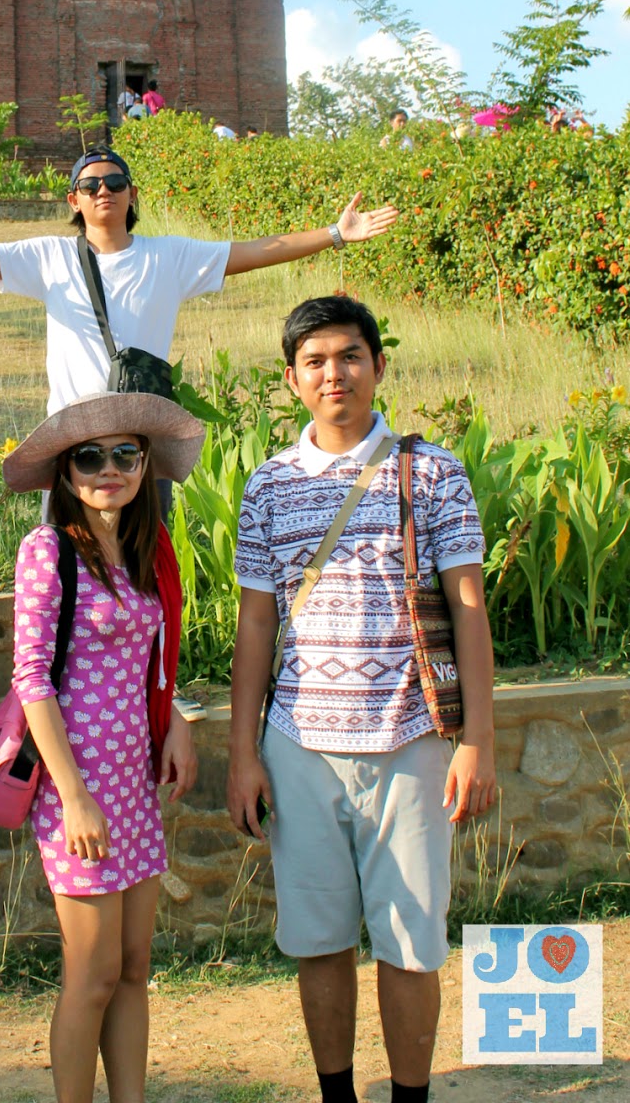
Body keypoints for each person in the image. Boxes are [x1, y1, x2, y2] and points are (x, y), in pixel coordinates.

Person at [226, 297, 495, 1103]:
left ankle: (410, 1096)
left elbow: (470, 609)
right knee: (318, 940)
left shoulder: (436, 472)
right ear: (292, 379)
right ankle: (336, 1094)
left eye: (349, 356)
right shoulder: (268, 485)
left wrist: (477, 740)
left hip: (410, 738)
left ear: (379, 365)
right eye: (314, 361)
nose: (333, 373)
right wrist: (243, 755)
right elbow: (255, 626)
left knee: (412, 943)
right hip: (299, 744)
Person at [0, 147, 398, 418]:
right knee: (66, 574)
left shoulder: (169, 257)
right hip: (71, 429)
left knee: (144, 571)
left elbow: (258, 250)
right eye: (90, 183)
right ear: (73, 199)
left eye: (116, 181)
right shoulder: (49, 258)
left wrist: (334, 234)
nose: (104, 190)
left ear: (131, 194)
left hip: (143, 428)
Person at [2, 390, 205, 1103]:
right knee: (89, 977)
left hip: (132, 788)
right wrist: (77, 798)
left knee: (131, 968)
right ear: (65, 472)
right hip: (75, 791)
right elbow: (31, 676)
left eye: (125, 453)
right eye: (89, 456)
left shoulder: (146, 551)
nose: (108, 468)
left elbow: (149, 659)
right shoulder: (48, 551)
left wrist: (176, 715)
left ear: (147, 463)